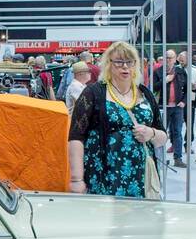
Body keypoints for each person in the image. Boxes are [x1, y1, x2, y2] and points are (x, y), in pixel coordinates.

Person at [67, 41, 168, 198]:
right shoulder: (93, 93)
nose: (125, 67)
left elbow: (163, 136)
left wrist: (151, 133)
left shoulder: (145, 93)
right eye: (119, 62)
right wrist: (76, 179)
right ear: (108, 64)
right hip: (103, 176)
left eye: (130, 62)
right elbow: (76, 136)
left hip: (141, 177)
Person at [152, 49, 190, 167]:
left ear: (175, 59)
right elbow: (153, 88)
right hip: (163, 107)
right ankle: (160, 158)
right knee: (161, 132)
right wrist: (165, 80)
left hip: (177, 107)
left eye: (171, 58)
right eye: (167, 57)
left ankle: (178, 158)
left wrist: (184, 101)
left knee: (177, 132)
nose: (169, 60)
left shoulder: (181, 72)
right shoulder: (158, 72)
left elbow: (187, 89)